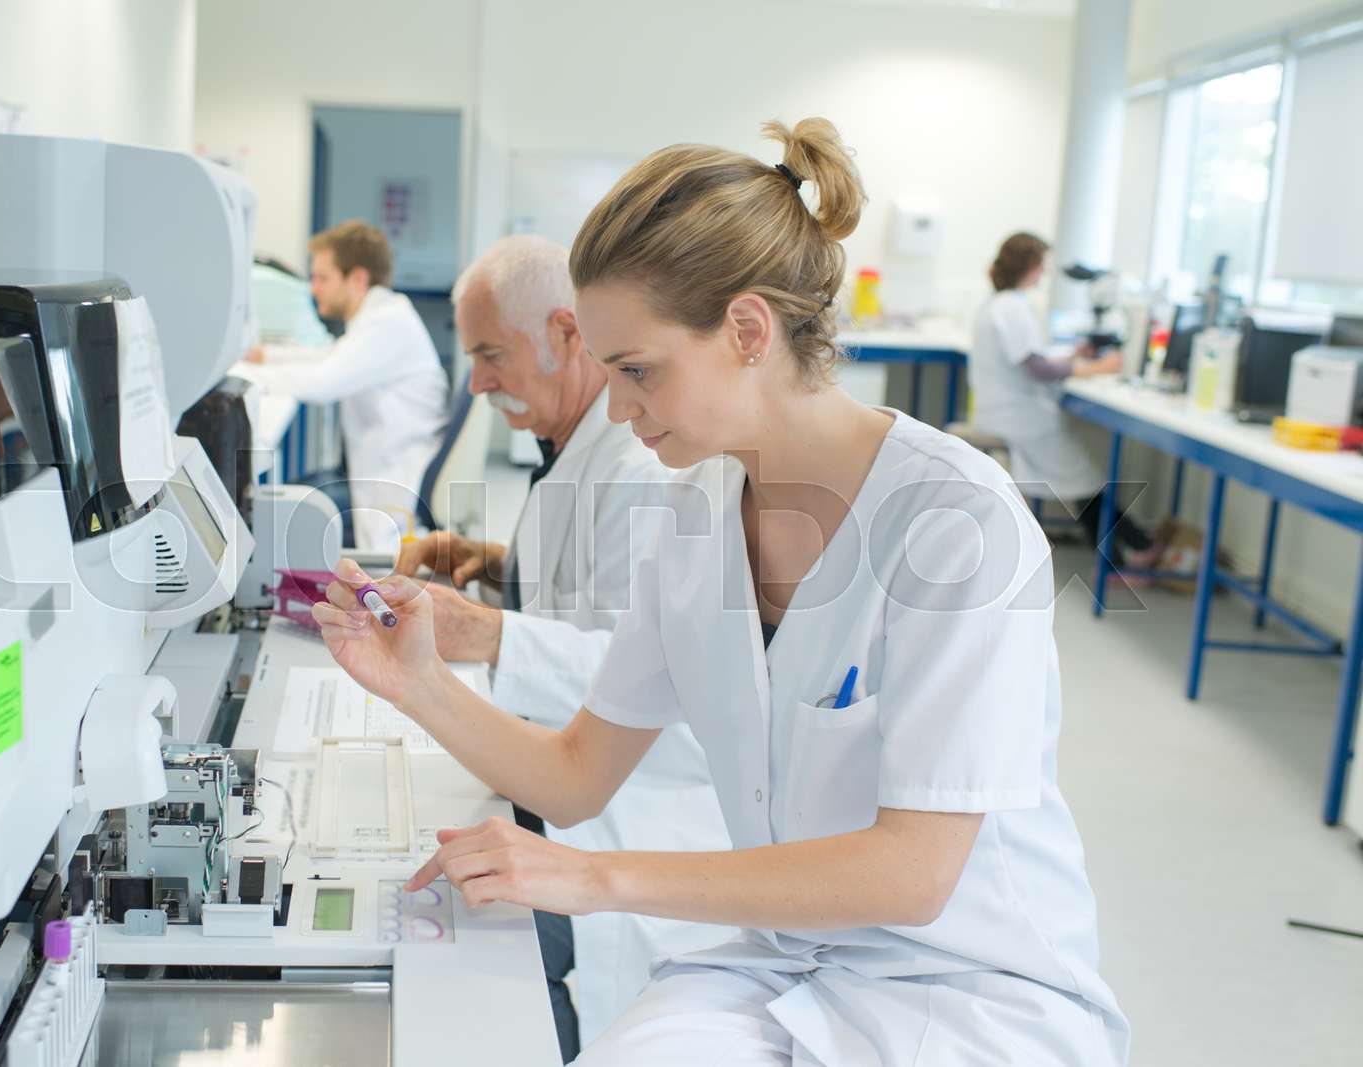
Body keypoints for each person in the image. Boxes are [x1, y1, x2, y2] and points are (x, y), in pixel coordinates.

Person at [313, 119, 1129, 1065]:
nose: (616, 407)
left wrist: (593, 879)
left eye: (638, 371)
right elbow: (578, 774)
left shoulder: (957, 521)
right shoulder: (702, 508)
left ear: (747, 330)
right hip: (793, 967)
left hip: (972, 993)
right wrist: (416, 681)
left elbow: (913, 873)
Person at [393, 235, 733, 1055]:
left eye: (489, 355)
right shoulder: (581, 448)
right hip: (567, 776)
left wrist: (486, 629)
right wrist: (500, 569)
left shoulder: (646, 468)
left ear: (565, 332)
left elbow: (646, 672)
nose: (477, 383)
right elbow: (609, 598)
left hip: (636, 805)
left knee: (449, 931)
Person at [237, 220, 447, 550]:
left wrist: (246, 377)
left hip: (393, 483)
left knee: (274, 514)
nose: (312, 288)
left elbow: (324, 381)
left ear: (358, 279)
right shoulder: (379, 318)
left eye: (322, 277)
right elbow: (327, 357)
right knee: (284, 499)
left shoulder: (387, 324)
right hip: (376, 470)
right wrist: (265, 357)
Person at [971, 232, 1161, 567]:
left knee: (1081, 480)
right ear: (1030, 266)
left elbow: (1032, 359)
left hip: (1006, 410)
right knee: (1085, 481)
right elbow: (1039, 369)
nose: (1043, 274)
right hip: (1019, 417)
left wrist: (1074, 356)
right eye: (1041, 266)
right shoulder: (1011, 307)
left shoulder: (998, 303)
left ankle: (1131, 550)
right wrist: (1097, 367)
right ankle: (1128, 555)